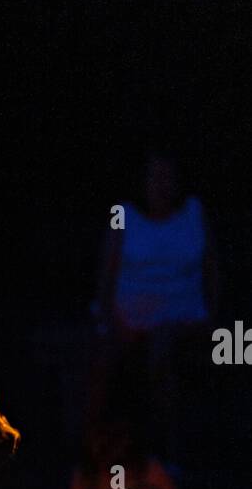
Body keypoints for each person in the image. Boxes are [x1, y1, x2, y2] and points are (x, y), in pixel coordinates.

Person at [92, 149, 218, 472]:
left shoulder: (194, 213)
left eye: (168, 177)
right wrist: (114, 322)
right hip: (129, 319)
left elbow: (212, 274)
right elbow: (105, 280)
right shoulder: (123, 215)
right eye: (155, 177)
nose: (162, 185)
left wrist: (218, 322)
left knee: (163, 348)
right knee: (103, 360)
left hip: (186, 318)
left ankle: (167, 454)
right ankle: (99, 457)